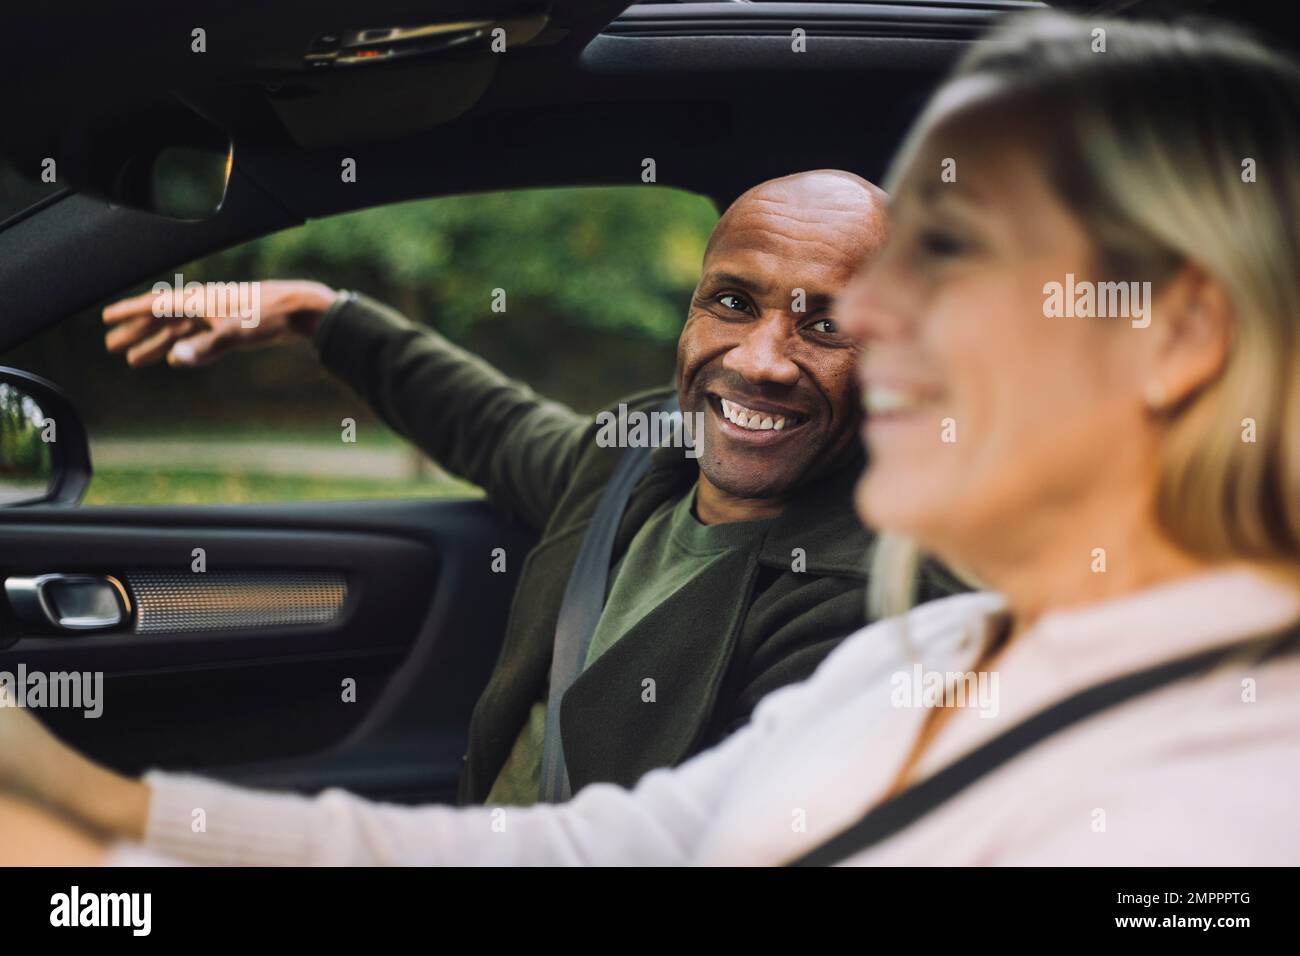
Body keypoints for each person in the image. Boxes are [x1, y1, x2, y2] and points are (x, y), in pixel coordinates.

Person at [2, 8, 1297, 865]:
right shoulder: (935, 647)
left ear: (1173, 339)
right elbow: (606, 844)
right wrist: (113, 820)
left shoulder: (1218, 801)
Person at [101, 170, 960, 806]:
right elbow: (499, 427)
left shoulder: (881, 603)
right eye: (732, 302)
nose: (761, 361)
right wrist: (321, 315)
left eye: (826, 326)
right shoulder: (638, 456)